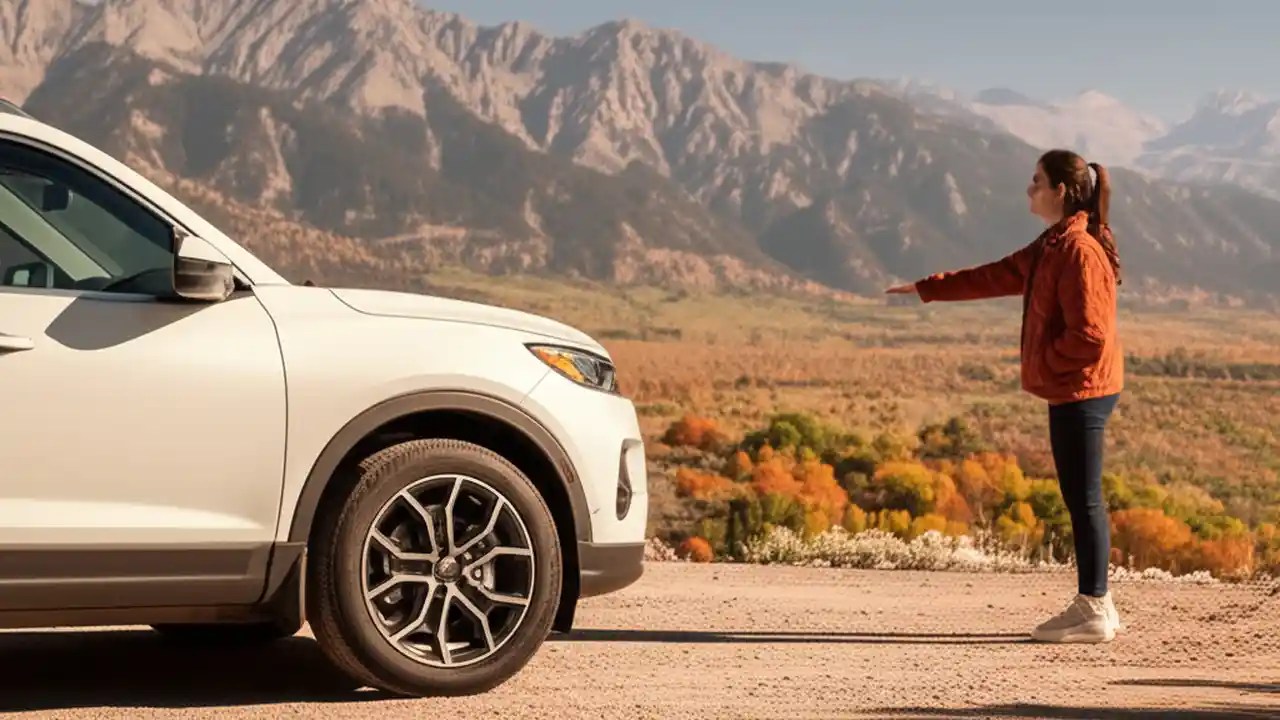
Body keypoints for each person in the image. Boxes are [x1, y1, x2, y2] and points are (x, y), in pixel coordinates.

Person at [886, 149, 1125, 644]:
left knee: (1084, 499)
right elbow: (995, 275)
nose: (1028, 189)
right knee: (1081, 496)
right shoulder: (1052, 245)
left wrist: (1046, 364)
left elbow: (1091, 336)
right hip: (1074, 386)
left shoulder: (1077, 250)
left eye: (1036, 181)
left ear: (1060, 190)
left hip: (1083, 388)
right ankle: (1096, 603)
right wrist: (928, 288)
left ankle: (1094, 608)